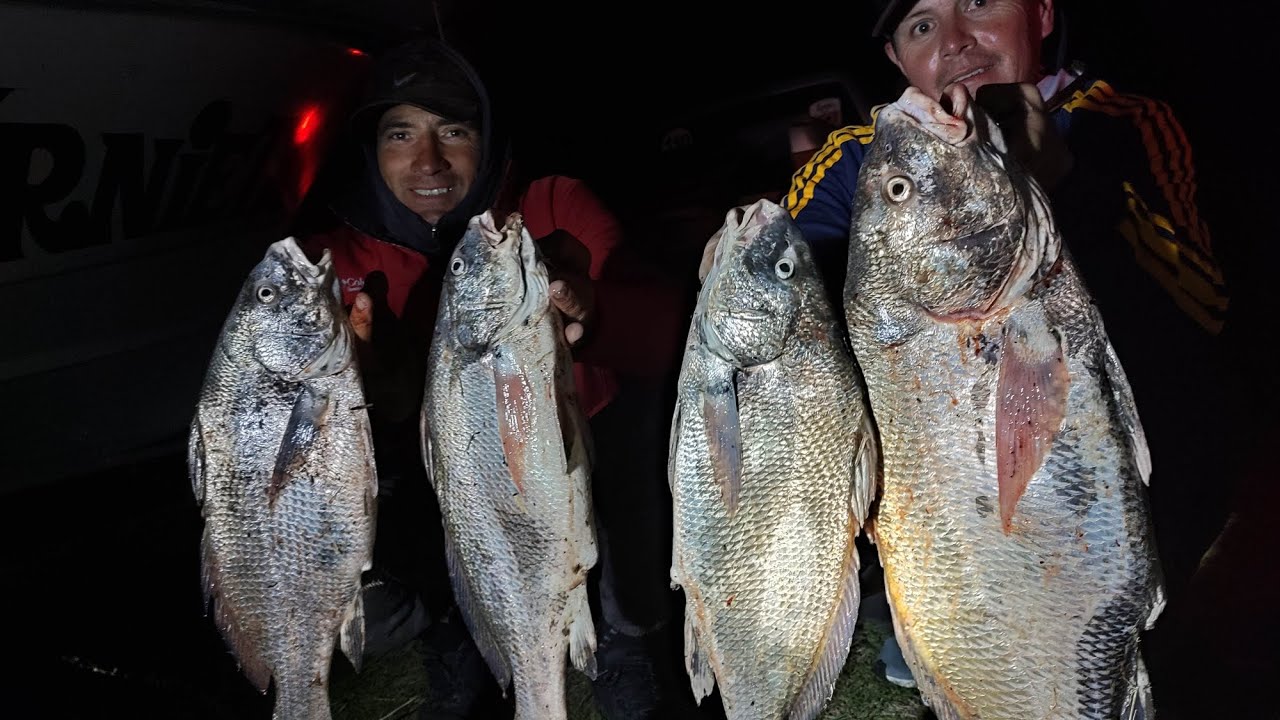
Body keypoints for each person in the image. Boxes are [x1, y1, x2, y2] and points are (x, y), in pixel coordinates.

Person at [702, 0, 1234, 697]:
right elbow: (787, 298)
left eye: (979, 2)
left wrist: (1070, 186)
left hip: (1138, 515)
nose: (955, 41)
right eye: (921, 25)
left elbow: (1210, 305)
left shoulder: (1120, 118)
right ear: (896, 58)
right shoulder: (864, 155)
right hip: (950, 539)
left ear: (1041, 13)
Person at [291, 36, 690, 719]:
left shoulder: (554, 206)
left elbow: (665, 333)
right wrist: (353, 384)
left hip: (579, 463)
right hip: (436, 489)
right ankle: (457, 630)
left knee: (646, 430)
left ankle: (622, 637)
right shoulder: (327, 261)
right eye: (400, 135)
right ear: (371, 149)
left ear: (488, 137)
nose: (428, 162)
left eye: (452, 131)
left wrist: (593, 316)